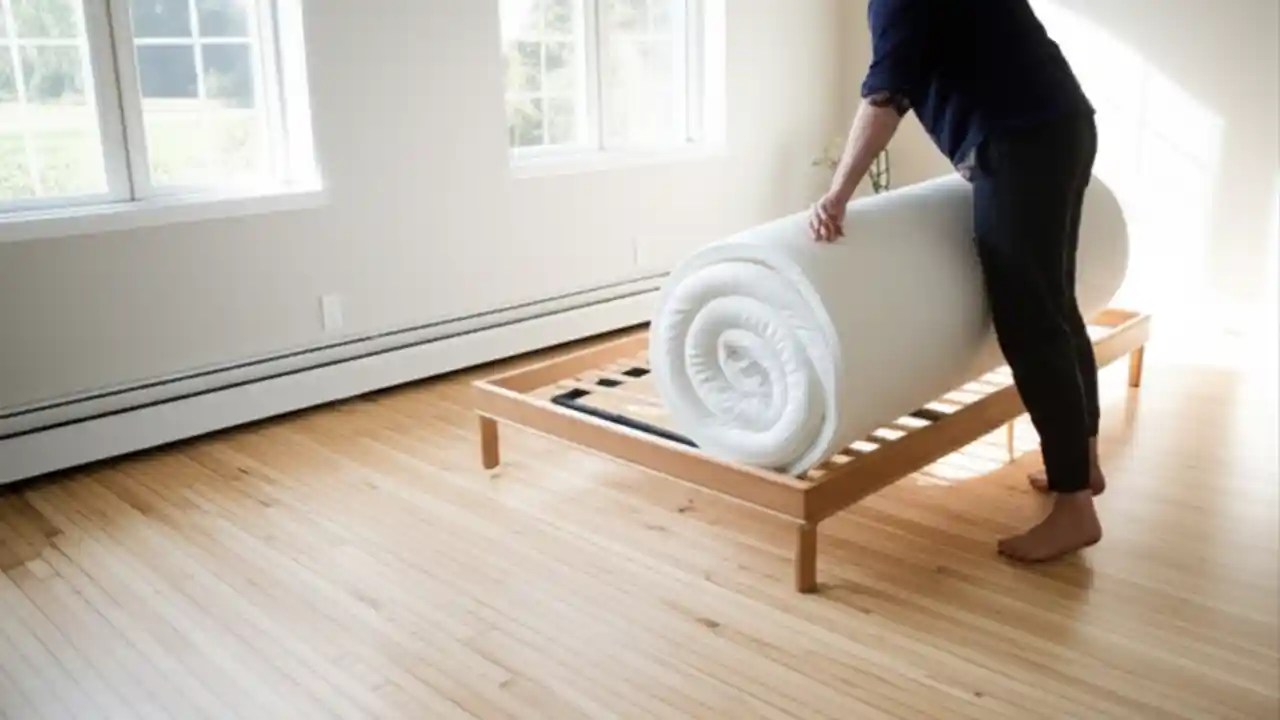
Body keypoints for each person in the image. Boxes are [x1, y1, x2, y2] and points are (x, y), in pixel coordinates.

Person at [810, 0, 1105, 562]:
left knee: (1028, 322)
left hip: (1019, 142)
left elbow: (885, 95)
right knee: (1055, 305)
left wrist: (838, 192)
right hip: (1062, 125)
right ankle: (1081, 465)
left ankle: (1074, 507)